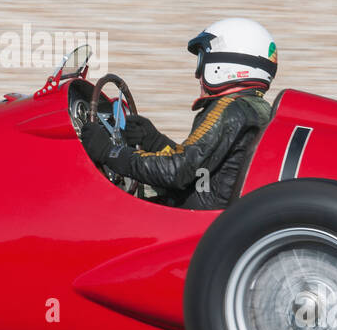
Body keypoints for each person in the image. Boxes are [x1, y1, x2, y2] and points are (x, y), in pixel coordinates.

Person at [80, 18, 276, 209]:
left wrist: (110, 153)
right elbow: (199, 169)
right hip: (207, 211)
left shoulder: (228, 109)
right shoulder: (254, 108)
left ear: (224, 67)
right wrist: (154, 140)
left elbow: (176, 172)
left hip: (194, 222)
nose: (198, 75)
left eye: (201, 62)